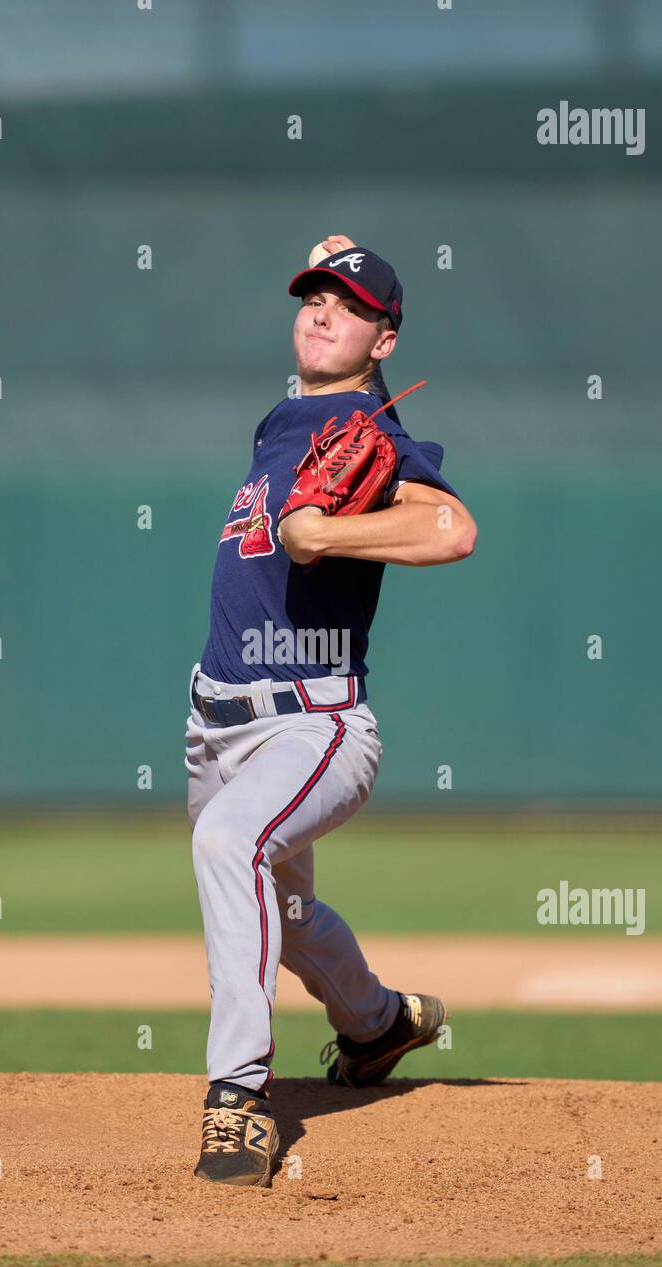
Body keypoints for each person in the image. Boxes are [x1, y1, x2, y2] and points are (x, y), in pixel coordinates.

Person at [186, 235, 477, 1186]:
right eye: (313, 297)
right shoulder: (287, 421)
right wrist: (343, 263)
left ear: (384, 342)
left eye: (350, 309)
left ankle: (238, 1101)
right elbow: (331, 326)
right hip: (215, 724)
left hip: (313, 725)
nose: (322, 312)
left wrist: (328, 533)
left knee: (229, 843)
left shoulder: (373, 431)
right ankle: (378, 1023)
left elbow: (453, 528)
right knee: (287, 911)